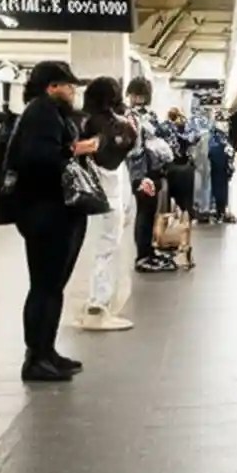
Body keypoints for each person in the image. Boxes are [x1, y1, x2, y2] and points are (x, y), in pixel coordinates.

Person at [9, 61, 97, 382]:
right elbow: (39, 158)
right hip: (45, 212)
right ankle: (36, 358)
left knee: (52, 287)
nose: (73, 91)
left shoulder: (50, 113)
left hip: (53, 211)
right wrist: (77, 148)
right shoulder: (41, 112)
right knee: (45, 286)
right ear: (52, 87)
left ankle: (47, 351)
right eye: (68, 85)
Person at [77, 77, 138, 330]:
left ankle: (89, 303)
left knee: (92, 251)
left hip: (85, 198)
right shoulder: (119, 126)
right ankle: (98, 306)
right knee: (107, 251)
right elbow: (124, 149)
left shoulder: (82, 122)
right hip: (109, 197)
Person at [125, 78, 176, 273]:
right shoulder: (134, 117)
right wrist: (140, 177)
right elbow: (135, 150)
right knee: (145, 213)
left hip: (149, 171)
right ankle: (143, 256)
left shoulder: (142, 116)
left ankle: (148, 251)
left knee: (148, 213)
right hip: (143, 173)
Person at [159, 107, 196, 217]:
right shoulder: (186, 127)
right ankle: (187, 215)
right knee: (187, 195)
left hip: (171, 167)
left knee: (171, 194)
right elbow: (192, 143)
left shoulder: (164, 128)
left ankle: (173, 214)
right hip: (186, 167)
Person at [207, 118, 237, 223]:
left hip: (215, 169)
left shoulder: (212, 138)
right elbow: (230, 153)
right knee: (221, 191)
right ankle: (221, 213)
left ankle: (219, 212)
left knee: (217, 191)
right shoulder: (221, 139)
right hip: (221, 169)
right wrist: (230, 164)